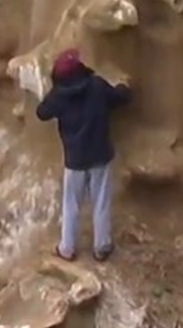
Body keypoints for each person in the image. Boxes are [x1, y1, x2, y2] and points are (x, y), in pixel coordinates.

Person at [33, 48, 132, 262]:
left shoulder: (59, 96)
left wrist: (53, 94)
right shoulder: (96, 86)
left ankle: (67, 248)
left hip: (75, 159)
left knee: (71, 204)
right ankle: (102, 246)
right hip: (100, 155)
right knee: (101, 202)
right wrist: (125, 84)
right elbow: (121, 97)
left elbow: (41, 113)